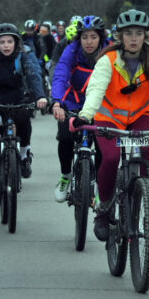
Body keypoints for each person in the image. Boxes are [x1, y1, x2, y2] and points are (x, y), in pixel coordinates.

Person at [72, 9, 149, 241]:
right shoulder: (107, 60)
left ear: (145, 36)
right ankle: (104, 211)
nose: (133, 38)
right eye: (128, 33)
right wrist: (84, 116)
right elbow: (95, 91)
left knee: (148, 154)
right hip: (108, 117)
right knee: (110, 158)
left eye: (138, 33)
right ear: (120, 36)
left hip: (140, 116)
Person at [0, 23, 48, 208]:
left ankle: (25, 154)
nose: (6, 45)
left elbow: (33, 76)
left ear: (16, 42)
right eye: (2, 42)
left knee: (23, 120)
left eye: (10, 41)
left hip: (19, 98)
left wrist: (40, 96)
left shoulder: (23, 57)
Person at [50, 15, 110, 202]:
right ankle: (65, 176)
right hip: (74, 100)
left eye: (93, 37)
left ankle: (101, 185)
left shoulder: (110, 51)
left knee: (103, 142)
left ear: (100, 37)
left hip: (101, 102)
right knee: (65, 135)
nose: (89, 42)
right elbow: (60, 74)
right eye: (85, 37)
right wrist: (57, 101)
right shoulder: (72, 50)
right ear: (79, 38)